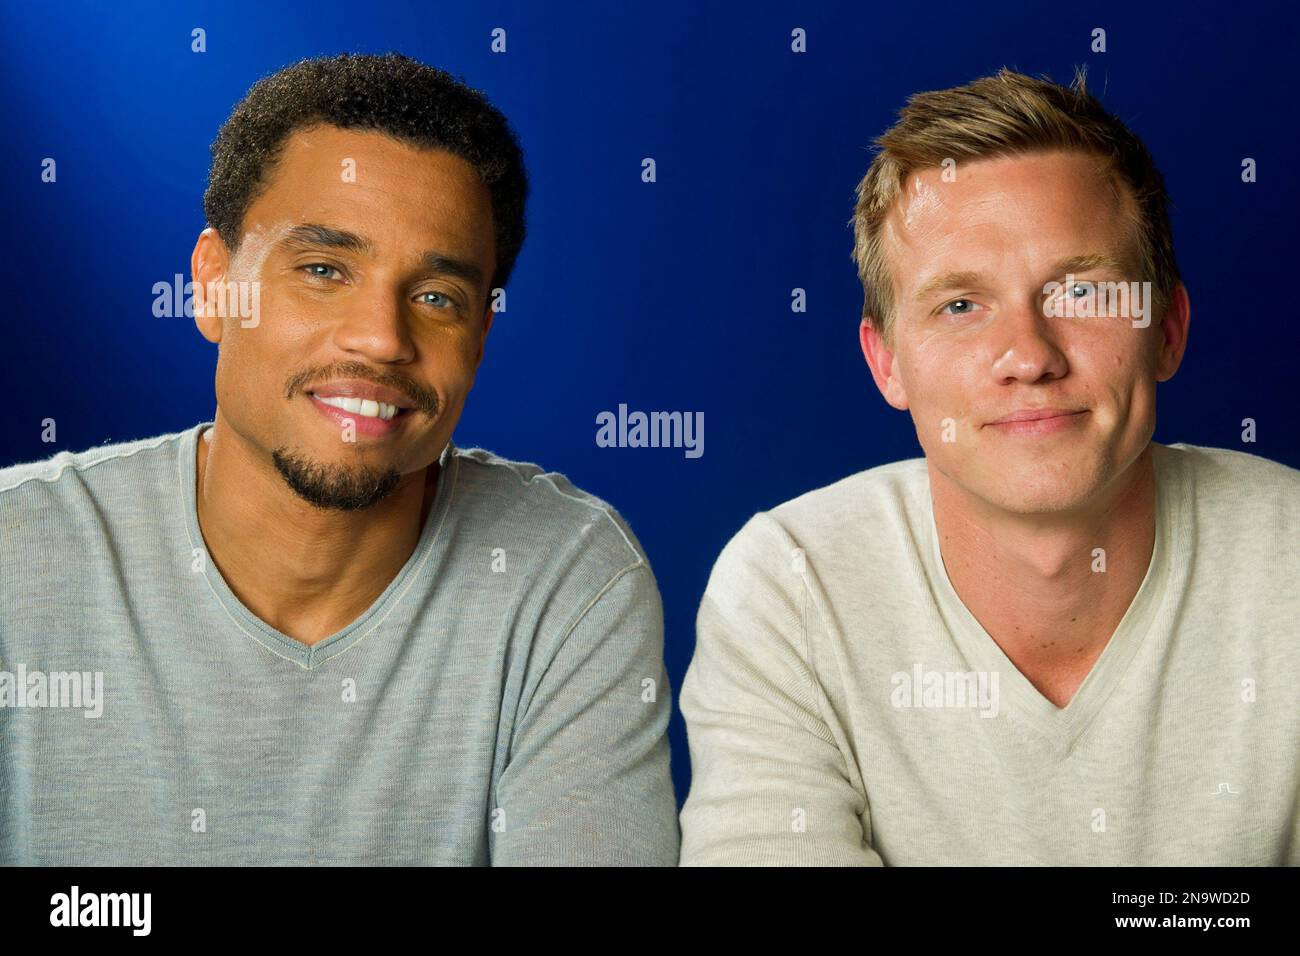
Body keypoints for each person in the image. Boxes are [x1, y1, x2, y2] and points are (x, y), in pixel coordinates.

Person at [0, 52, 678, 866]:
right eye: (323, 270)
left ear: (481, 335)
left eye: (438, 297)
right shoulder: (18, 554)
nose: (383, 338)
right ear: (213, 287)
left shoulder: (564, 580)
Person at [679, 68, 1299, 865]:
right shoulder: (791, 587)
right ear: (887, 364)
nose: (1029, 357)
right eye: (961, 305)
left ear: (1168, 329)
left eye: (1082, 291)